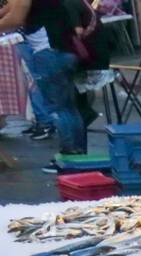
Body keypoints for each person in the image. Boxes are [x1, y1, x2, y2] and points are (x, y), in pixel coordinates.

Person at [0, 0, 86, 168]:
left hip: (49, 52)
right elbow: (11, 9)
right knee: (68, 107)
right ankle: (78, 155)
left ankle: (69, 156)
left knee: (59, 108)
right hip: (63, 50)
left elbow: (15, 19)